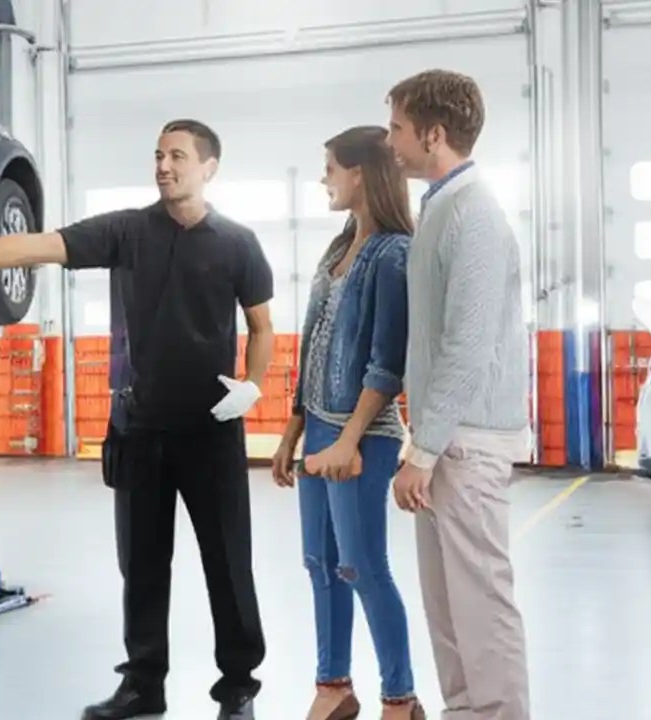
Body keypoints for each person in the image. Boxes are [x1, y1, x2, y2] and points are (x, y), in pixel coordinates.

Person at [0, 119, 274, 720]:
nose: (164, 165)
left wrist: (253, 386)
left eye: (178, 156)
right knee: (140, 564)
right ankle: (143, 685)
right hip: (138, 428)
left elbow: (262, 327)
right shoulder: (128, 230)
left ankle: (238, 688)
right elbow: (47, 244)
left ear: (209, 167)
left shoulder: (238, 243)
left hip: (211, 431)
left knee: (227, 561)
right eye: (158, 154)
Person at [385, 69, 532, 720]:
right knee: (447, 605)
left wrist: (427, 448)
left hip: (466, 441)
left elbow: (467, 345)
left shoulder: (471, 213)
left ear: (433, 134)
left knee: (480, 600)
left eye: (397, 127)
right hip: (446, 439)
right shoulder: (442, 206)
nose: (390, 141)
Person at [271, 126, 424, 720]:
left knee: (362, 565)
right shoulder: (337, 248)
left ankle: (400, 696)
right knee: (319, 563)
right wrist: (293, 431)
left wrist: (351, 440)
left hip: (363, 433)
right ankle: (333, 686)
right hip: (319, 429)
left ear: (360, 173)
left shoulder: (394, 254)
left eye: (331, 169)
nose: (324, 179)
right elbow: (311, 347)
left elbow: (388, 364)